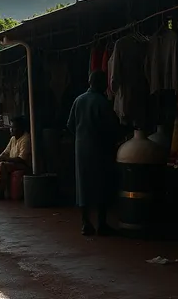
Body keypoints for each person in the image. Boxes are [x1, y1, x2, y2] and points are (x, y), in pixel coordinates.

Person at [67, 70, 120, 236]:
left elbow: (70, 125)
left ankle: (85, 223)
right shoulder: (103, 102)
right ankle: (101, 224)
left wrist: (81, 136)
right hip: (100, 148)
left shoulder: (78, 100)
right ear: (101, 84)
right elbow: (113, 127)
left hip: (81, 149)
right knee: (102, 185)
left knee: (83, 185)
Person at [0, 116, 31, 200]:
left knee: (3, 165)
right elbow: (6, 152)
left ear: (20, 128)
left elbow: (22, 159)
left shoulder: (25, 139)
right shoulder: (13, 138)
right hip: (13, 163)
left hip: (23, 164)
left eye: (13, 127)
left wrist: (4, 159)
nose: (11, 130)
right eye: (11, 127)